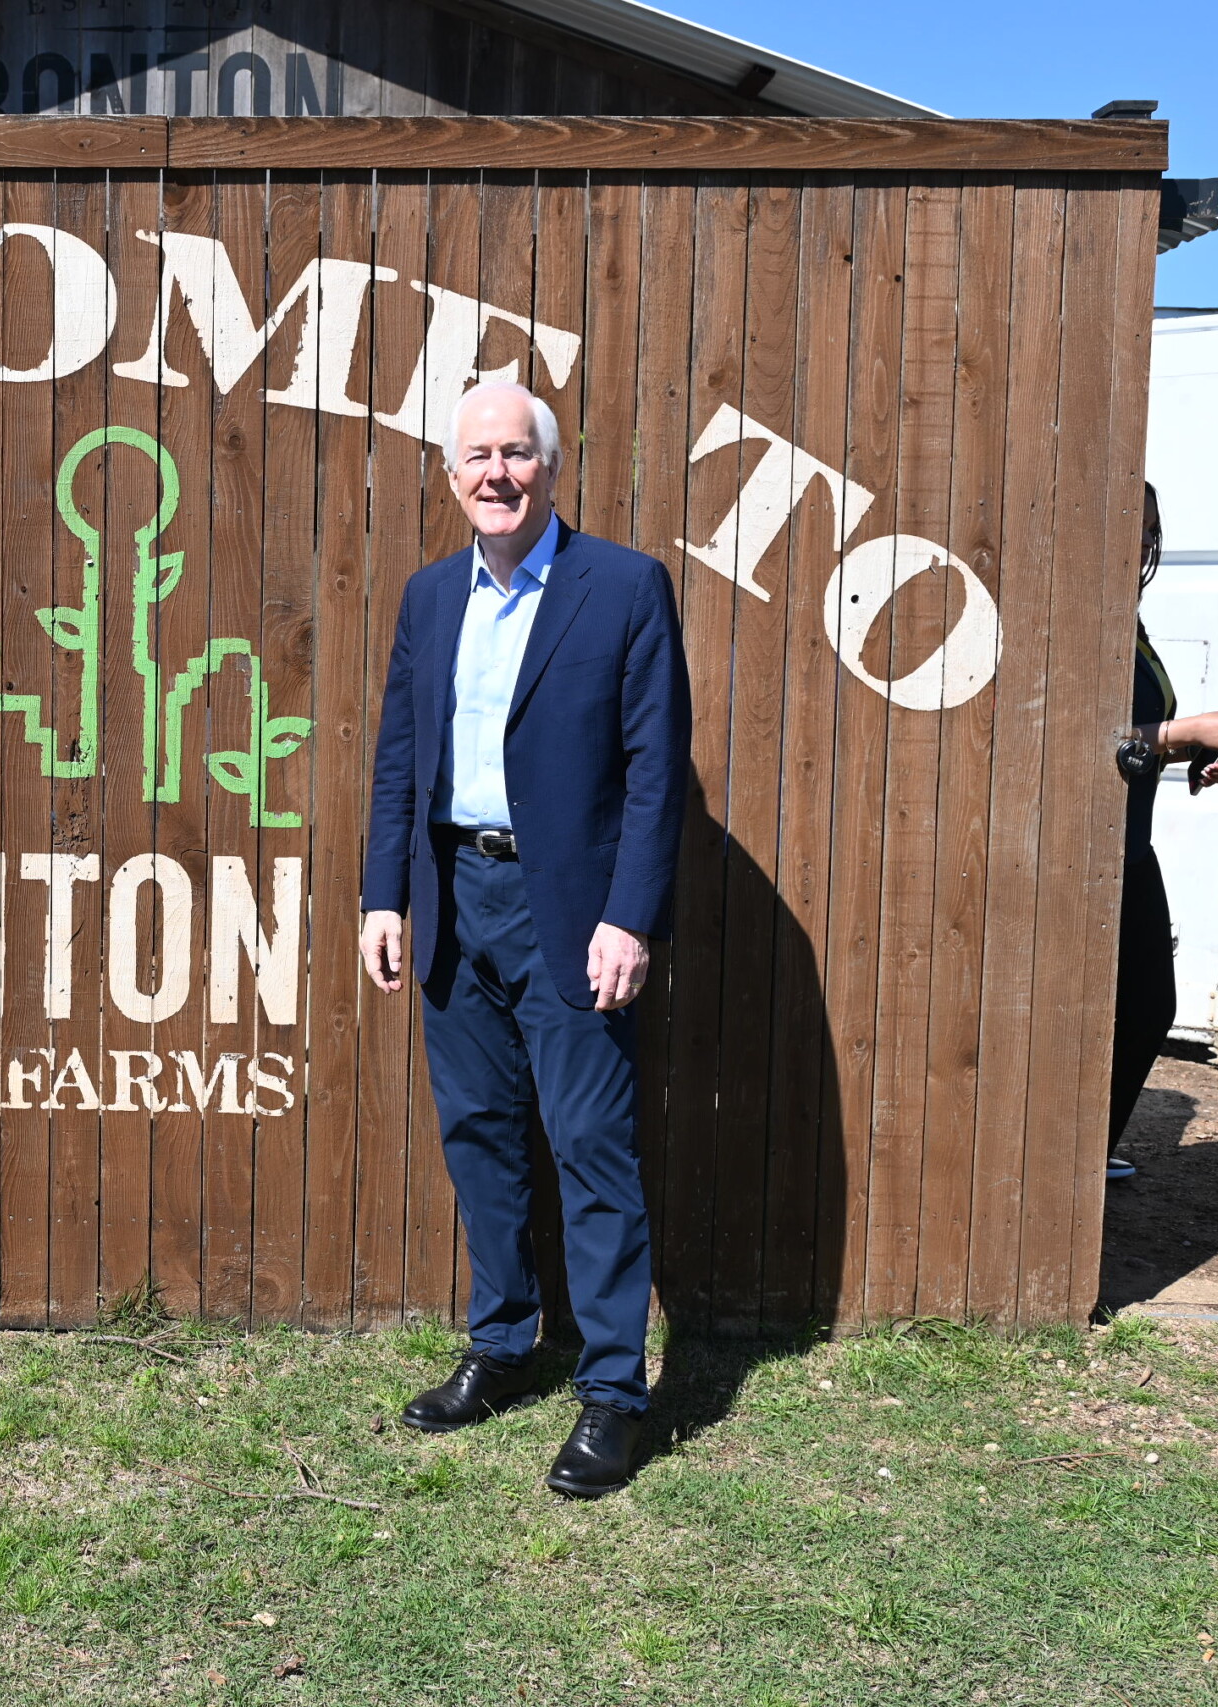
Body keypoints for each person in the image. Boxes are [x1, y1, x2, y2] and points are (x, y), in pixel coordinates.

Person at [360, 380, 688, 1499]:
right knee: (481, 1141)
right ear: (450, 475)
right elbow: (401, 753)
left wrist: (628, 915)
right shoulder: (428, 596)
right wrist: (384, 895)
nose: (494, 473)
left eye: (515, 454)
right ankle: (501, 1347)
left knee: (591, 1148)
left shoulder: (625, 588)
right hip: (454, 899)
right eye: (474, 456)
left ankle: (610, 1394)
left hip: (572, 916)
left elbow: (655, 775)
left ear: (551, 467)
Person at [1108, 483, 1218, 1182]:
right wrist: (1190, 728)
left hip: (1130, 847)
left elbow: (1131, 741)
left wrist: (1190, 754)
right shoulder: (1087, 619)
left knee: (1149, 1006)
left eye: (1150, 529)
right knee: (1132, 1006)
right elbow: (1081, 736)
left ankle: (1090, 1148)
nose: (1142, 542)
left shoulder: (1129, 622)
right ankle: (1079, 1156)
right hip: (1094, 853)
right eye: (1129, 527)